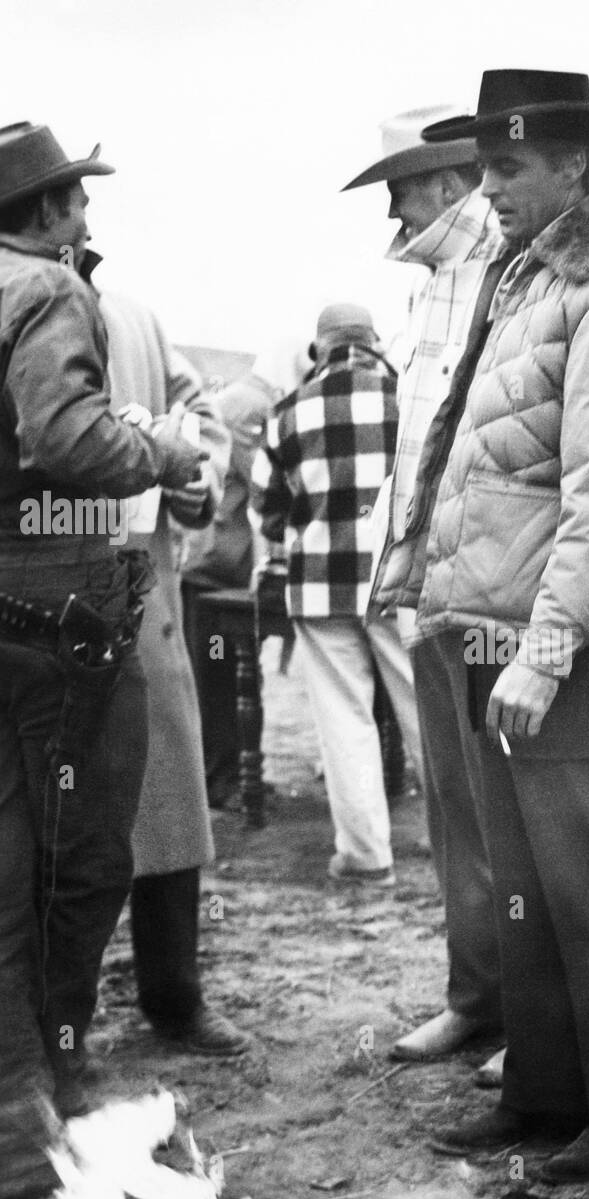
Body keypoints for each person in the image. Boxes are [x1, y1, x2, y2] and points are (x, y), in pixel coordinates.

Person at [417, 70, 589, 1182]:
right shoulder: (521, 282)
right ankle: (540, 1090)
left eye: (510, 166)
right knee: (521, 881)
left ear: (576, 165)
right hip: (491, 632)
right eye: (483, 166)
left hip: (570, 647)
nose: (489, 189)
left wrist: (545, 648)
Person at [0, 121, 204, 1199]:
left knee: (13, 860)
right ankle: (50, 1076)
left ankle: (21, 1093)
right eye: (72, 200)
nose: (87, 217)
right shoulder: (47, 290)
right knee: (83, 862)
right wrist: (160, 449)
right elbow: (68, 440)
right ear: (41, 213)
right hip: (59, 618)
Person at [346, 105, 506, 1067]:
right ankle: (480, 998)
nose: (392, 213)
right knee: (454, 806)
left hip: (494, 588)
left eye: (401, 189)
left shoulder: (511, 278)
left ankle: (529, 1017)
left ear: (447, 186)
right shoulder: (430, 294)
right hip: (433, 585)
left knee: (506, 817)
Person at [95, 284, 249, 1058]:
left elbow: (203, 425)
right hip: (19, 591)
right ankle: (44, 1026)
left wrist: (193, 474)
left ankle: (173, 995)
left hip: (133, 587)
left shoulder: (133, 319)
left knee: (161, 794)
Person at [251, 304, 423, 887]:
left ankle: (366, 856)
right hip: (403, 584)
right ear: (374, 342)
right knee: (427, 713)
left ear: (318, 349)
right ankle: (467, 841)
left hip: (321, 587)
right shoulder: (413, 400)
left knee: (345, 721)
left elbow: (264, 511)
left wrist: (300, 530)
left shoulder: (287, 413)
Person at [181, 373, 275, 808]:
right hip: (214, 578)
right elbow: (262, 479)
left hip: (222, 575)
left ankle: (235, 772)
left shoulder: (240, 404)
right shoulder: (245, 408)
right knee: (220, 678)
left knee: (235, 678)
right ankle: (221, 780)